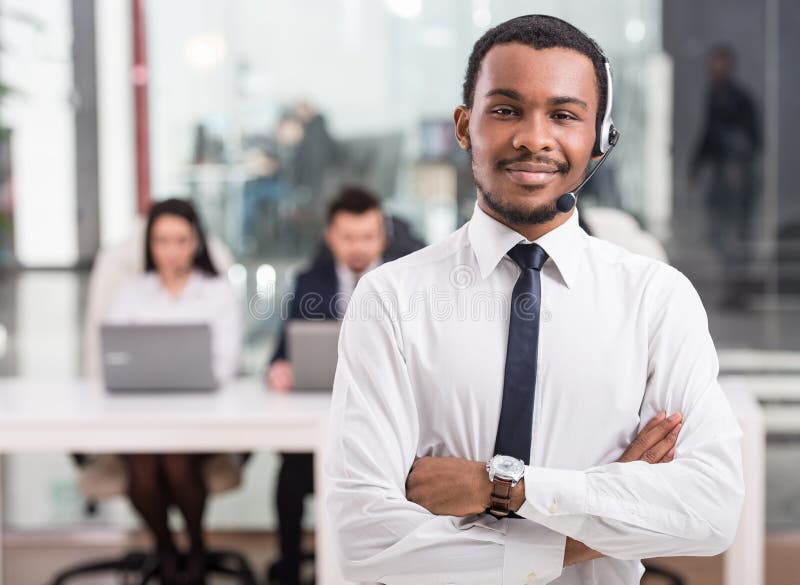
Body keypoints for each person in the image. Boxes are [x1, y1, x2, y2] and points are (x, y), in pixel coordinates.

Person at [326, 15, 743, 584]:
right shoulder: (389, 299)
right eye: (505, 110)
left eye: (565, 115)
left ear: (600, 140)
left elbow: (709, 508)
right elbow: (364, 537)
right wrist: (603, 513)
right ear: (463, 126)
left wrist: (502, 487)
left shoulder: (656, 299)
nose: (534, 137)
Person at [107, 198, 242, 585]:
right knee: (145, 467)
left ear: (196, 243)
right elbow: (115, 355)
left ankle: (196, 546)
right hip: (138, 417)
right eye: (162, 241)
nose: (171, 251)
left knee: (175, 456)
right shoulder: (131, 292)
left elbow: (225, 365)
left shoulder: (216, 292)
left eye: (181, 240)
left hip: (200, 418)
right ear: (149, 245)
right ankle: (166, 547)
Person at [266, 186, 389, 585]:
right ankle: (290, 569)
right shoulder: (308, 282)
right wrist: (279, 369)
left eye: (367, 237)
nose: (358, 248)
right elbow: (282, 351)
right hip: (322, 414)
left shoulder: (404, 280)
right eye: (348, 237)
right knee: (290, 479)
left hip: (385, 423)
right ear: (331, 238)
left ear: (382, 237)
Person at [690, 45, 760, 308]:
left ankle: (739, 289)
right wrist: (695, 168)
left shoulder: (739, 99)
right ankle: (735, 286)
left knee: (736, 234)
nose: (714, 68)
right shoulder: (716, 95)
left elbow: (752, 140)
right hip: (722, 176)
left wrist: (736, 166)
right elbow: (708, 136)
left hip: (737, 179)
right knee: (719, 233)